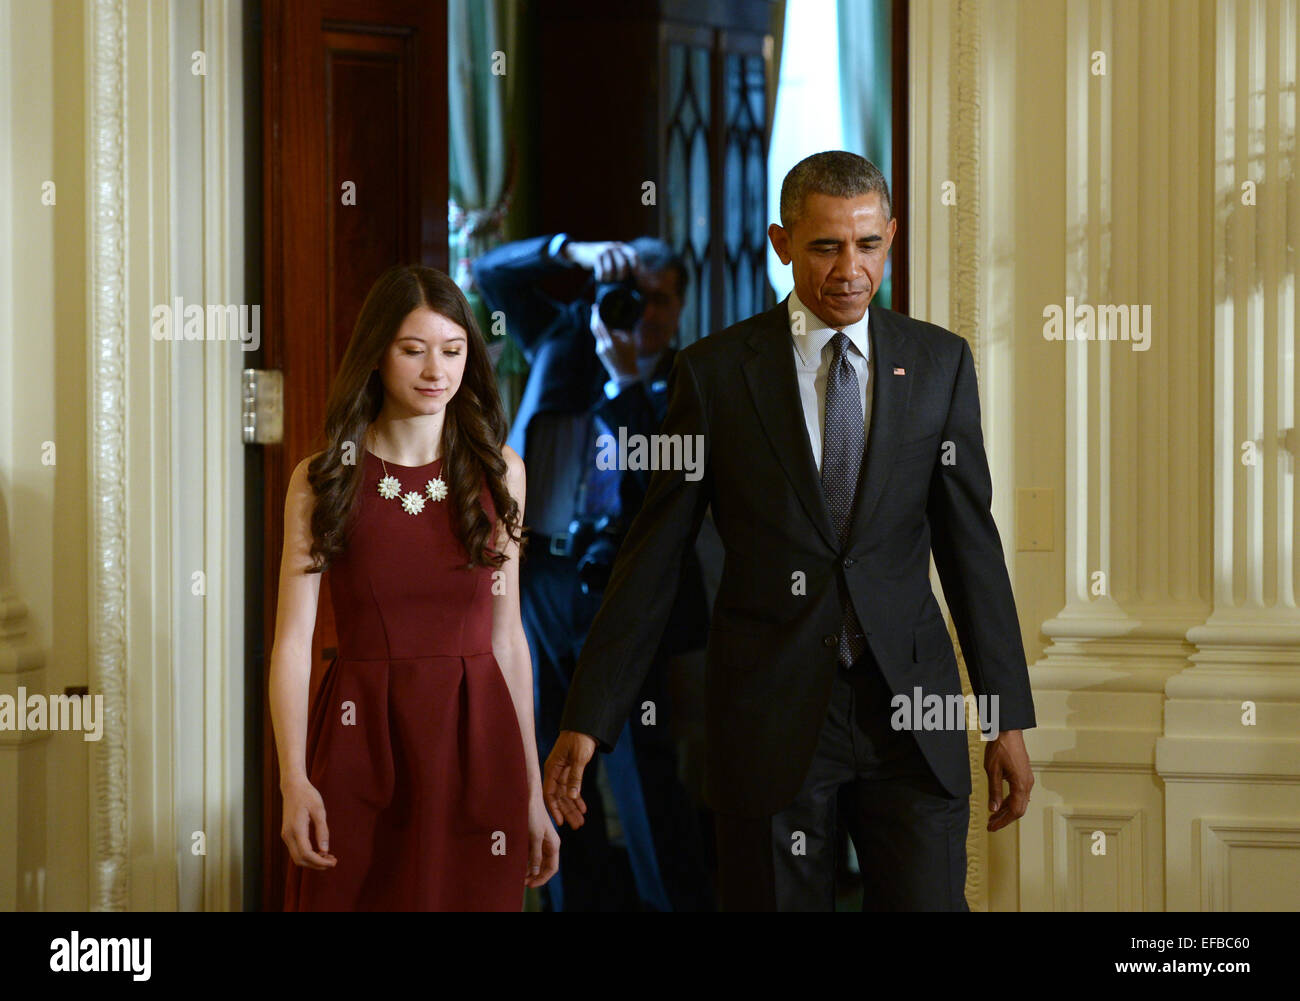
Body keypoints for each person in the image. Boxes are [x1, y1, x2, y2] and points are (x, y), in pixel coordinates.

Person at [543, 150, 1038, 911]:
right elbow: (653, 556)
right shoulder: (714, 375)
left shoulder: (939, 364)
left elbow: (971, 548)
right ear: (781, 242)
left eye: (868, 243)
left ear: (892, 236)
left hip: (911, 716)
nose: (850, 268)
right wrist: (590, 715)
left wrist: (1004, 715)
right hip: (769, 714)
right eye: (825, 245)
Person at [271, 264, 559, 911]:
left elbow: (509, 638)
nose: (437, 370)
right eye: (413, 350)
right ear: (376, 354)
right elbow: (292, 645)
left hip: (476, 744)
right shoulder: (322, 480)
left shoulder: (500, 470)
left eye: (453, 351)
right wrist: (294, 778)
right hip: (358, 742)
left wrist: (532, 789)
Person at [473, 235, 715, 911]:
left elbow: (671, 484)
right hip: (543, 577)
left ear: (680, 305)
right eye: (631, 292)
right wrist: (578, 255)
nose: (640, 311)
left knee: (646, 785)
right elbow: (490, 272)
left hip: (629, 598)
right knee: (549, 768)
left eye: (658, 297)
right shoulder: (562, 334)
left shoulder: (691, 381)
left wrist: (629, 382)